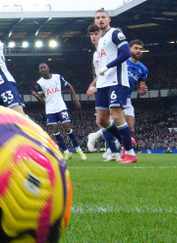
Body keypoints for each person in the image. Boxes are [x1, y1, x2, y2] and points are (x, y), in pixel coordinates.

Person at [90, 8, 135, 163]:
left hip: (116, 81)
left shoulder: (115, 33)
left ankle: (130, 153)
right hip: (102, 84)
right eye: (98, 18)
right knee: (101, 120)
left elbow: (126, 53)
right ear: (95, 21)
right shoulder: (100, 40)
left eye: (103, 17)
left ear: (109, 20)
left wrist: (108, 66)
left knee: (116, 115)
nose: (100, 20)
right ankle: (126, 140)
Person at [32, 62, 86, 160]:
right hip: (50, 109)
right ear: (39, 71)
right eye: (40, 68)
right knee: (55, 130)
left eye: (44, 67)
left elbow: (69, 86)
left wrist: (76, 99)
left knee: (67, 128)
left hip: (61, 107)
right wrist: (36, 96)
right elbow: (42, 100)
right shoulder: (39, 83)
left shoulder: (57, 77)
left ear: (48, 68)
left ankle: (78, 150)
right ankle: (66, 152)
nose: (42, 69)